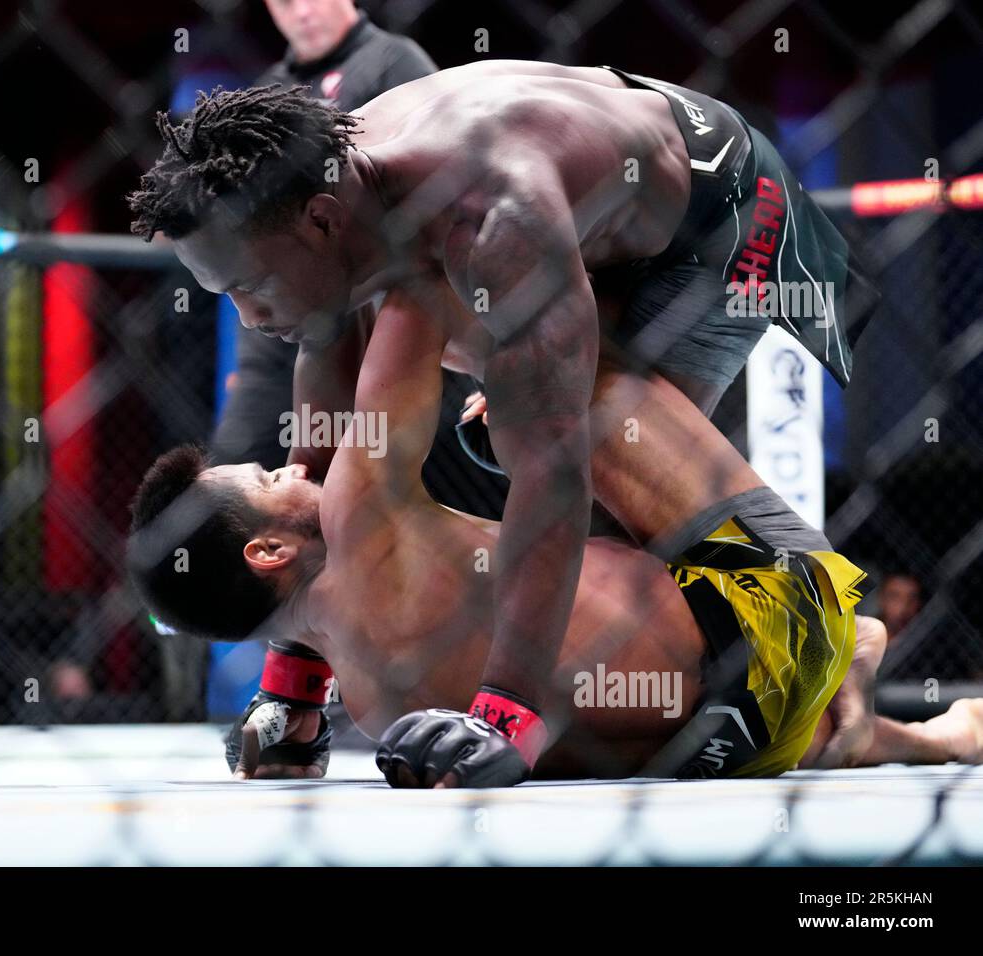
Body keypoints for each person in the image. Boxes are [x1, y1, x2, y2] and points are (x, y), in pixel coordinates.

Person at [129, 60, 874, 786]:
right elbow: (321, 490)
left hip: (722, 218)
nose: (249, 318)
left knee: (543, 399)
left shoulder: (487, 218)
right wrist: (292, 685)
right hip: (586, 222)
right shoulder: (328, 209)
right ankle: (844, 693)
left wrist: (506, 713)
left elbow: (549, 475)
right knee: (603, 580)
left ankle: (823, 649)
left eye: (249, 287)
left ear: (321, 222)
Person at [126, 290, 979, 783]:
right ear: (268, 552)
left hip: (741, 744)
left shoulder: (377, 706)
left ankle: (891, 723)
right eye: (273, 480)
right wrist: (306, 267)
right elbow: (409, 293)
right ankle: (847, 652)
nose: (297, 467)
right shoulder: (358, 511)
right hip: (774, 616)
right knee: (551, 384)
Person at [212, 0, 437, 470]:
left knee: (356, 495)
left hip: (362, 325)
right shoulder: (265, 91)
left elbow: (435, 207)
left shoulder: (395, 61)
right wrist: (243, 362)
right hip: (271, 343)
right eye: (284, 1)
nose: (301, 10)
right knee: (236, 488)